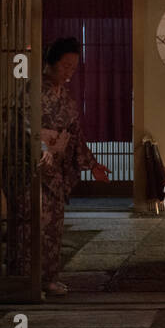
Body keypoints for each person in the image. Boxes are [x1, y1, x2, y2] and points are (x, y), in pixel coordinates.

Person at [39, 37, 111, 294]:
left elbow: (76, 135)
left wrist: (92, 165)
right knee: (32, 226)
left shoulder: (65, 97)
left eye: (73, 67)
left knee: (53, 228)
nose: (69, 71)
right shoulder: (32, 92)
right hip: (34, 170)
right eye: (65, 65)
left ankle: (48, 277)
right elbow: (21, 130)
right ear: (50, 62)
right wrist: (43, 146)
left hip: (55, 171)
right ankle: (25, 281)